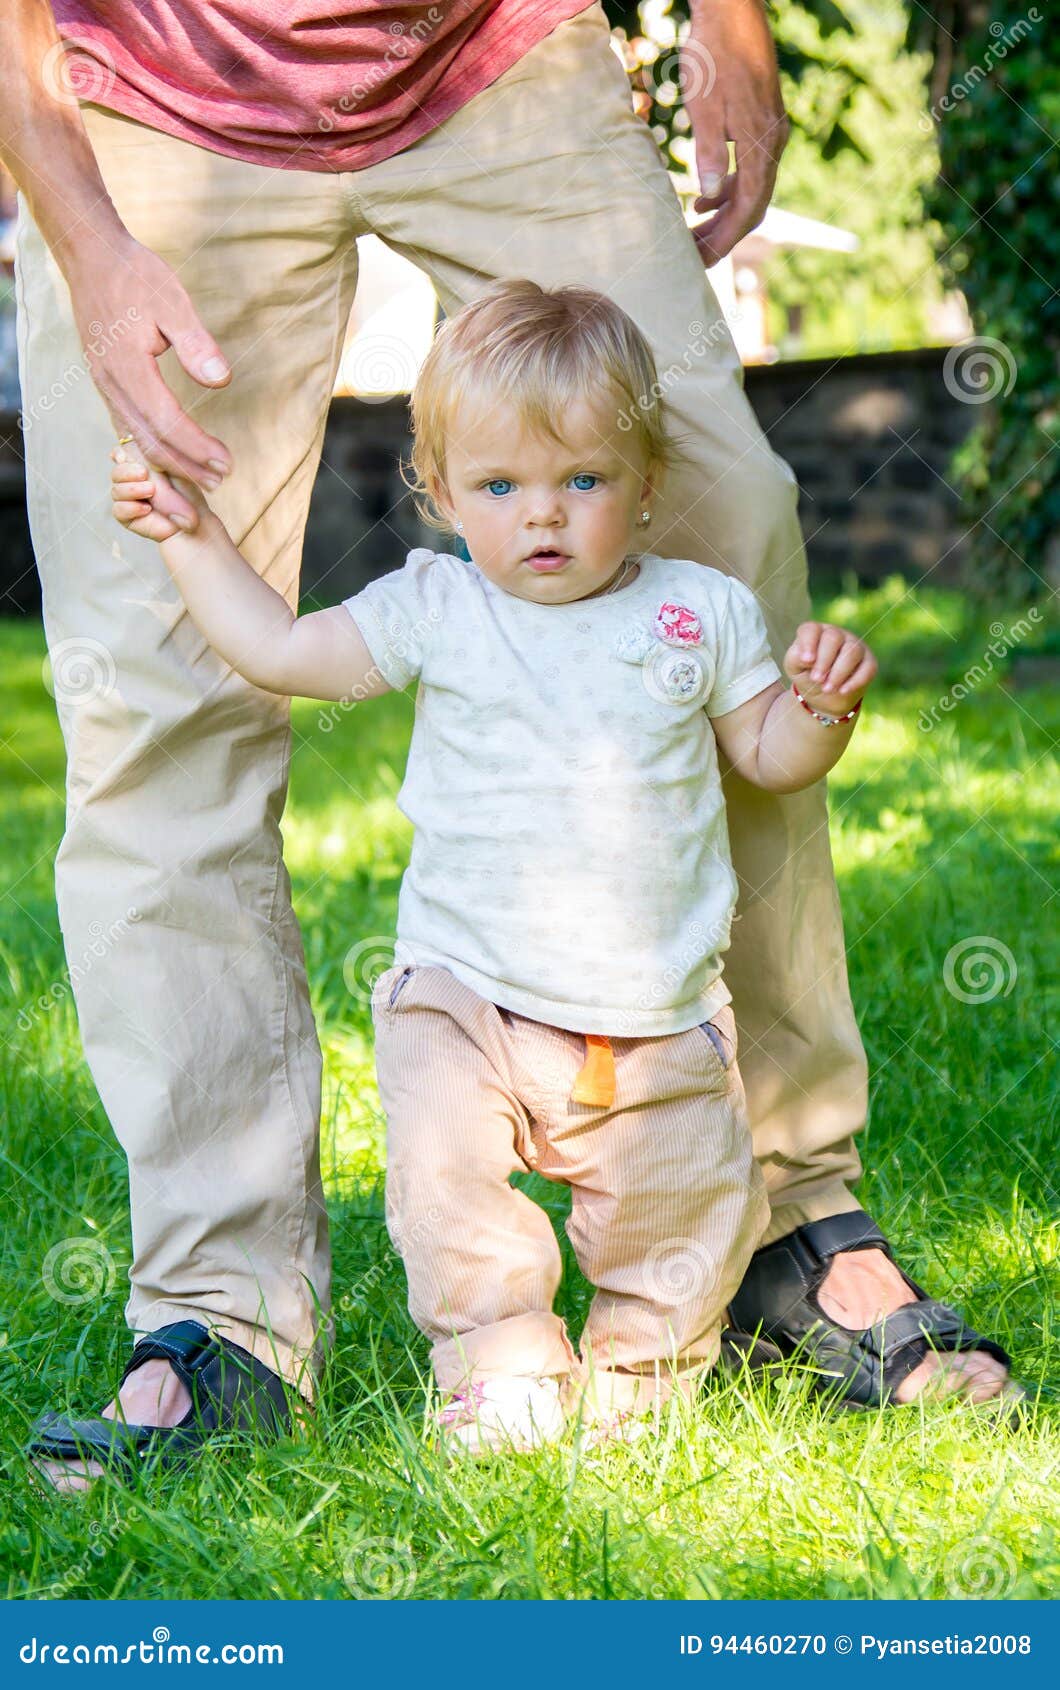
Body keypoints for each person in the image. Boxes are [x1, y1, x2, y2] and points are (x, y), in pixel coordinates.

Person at [8, 0, 1016, 1490]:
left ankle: (788, 1216)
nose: (538, 517)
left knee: (728, 523)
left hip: (493, 50)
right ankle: (224, 1311)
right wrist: (86, 236)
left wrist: (732, 23)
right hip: (147, 93)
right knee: (154, 687)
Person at [108, 279, 882, 1451]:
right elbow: (280, 648)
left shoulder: (700, 611)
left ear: (648, 483)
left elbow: (771, 758)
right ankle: (501, 1363)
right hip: (464, 993)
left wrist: (821, 709)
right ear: (440, 489)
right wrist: (193, 538)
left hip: (654, 1010)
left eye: (585, 481)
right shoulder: (439, 606)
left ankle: (641, 1377)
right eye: (501, 487)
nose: (543, 516)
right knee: (448, 1193)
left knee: (679, 1217)